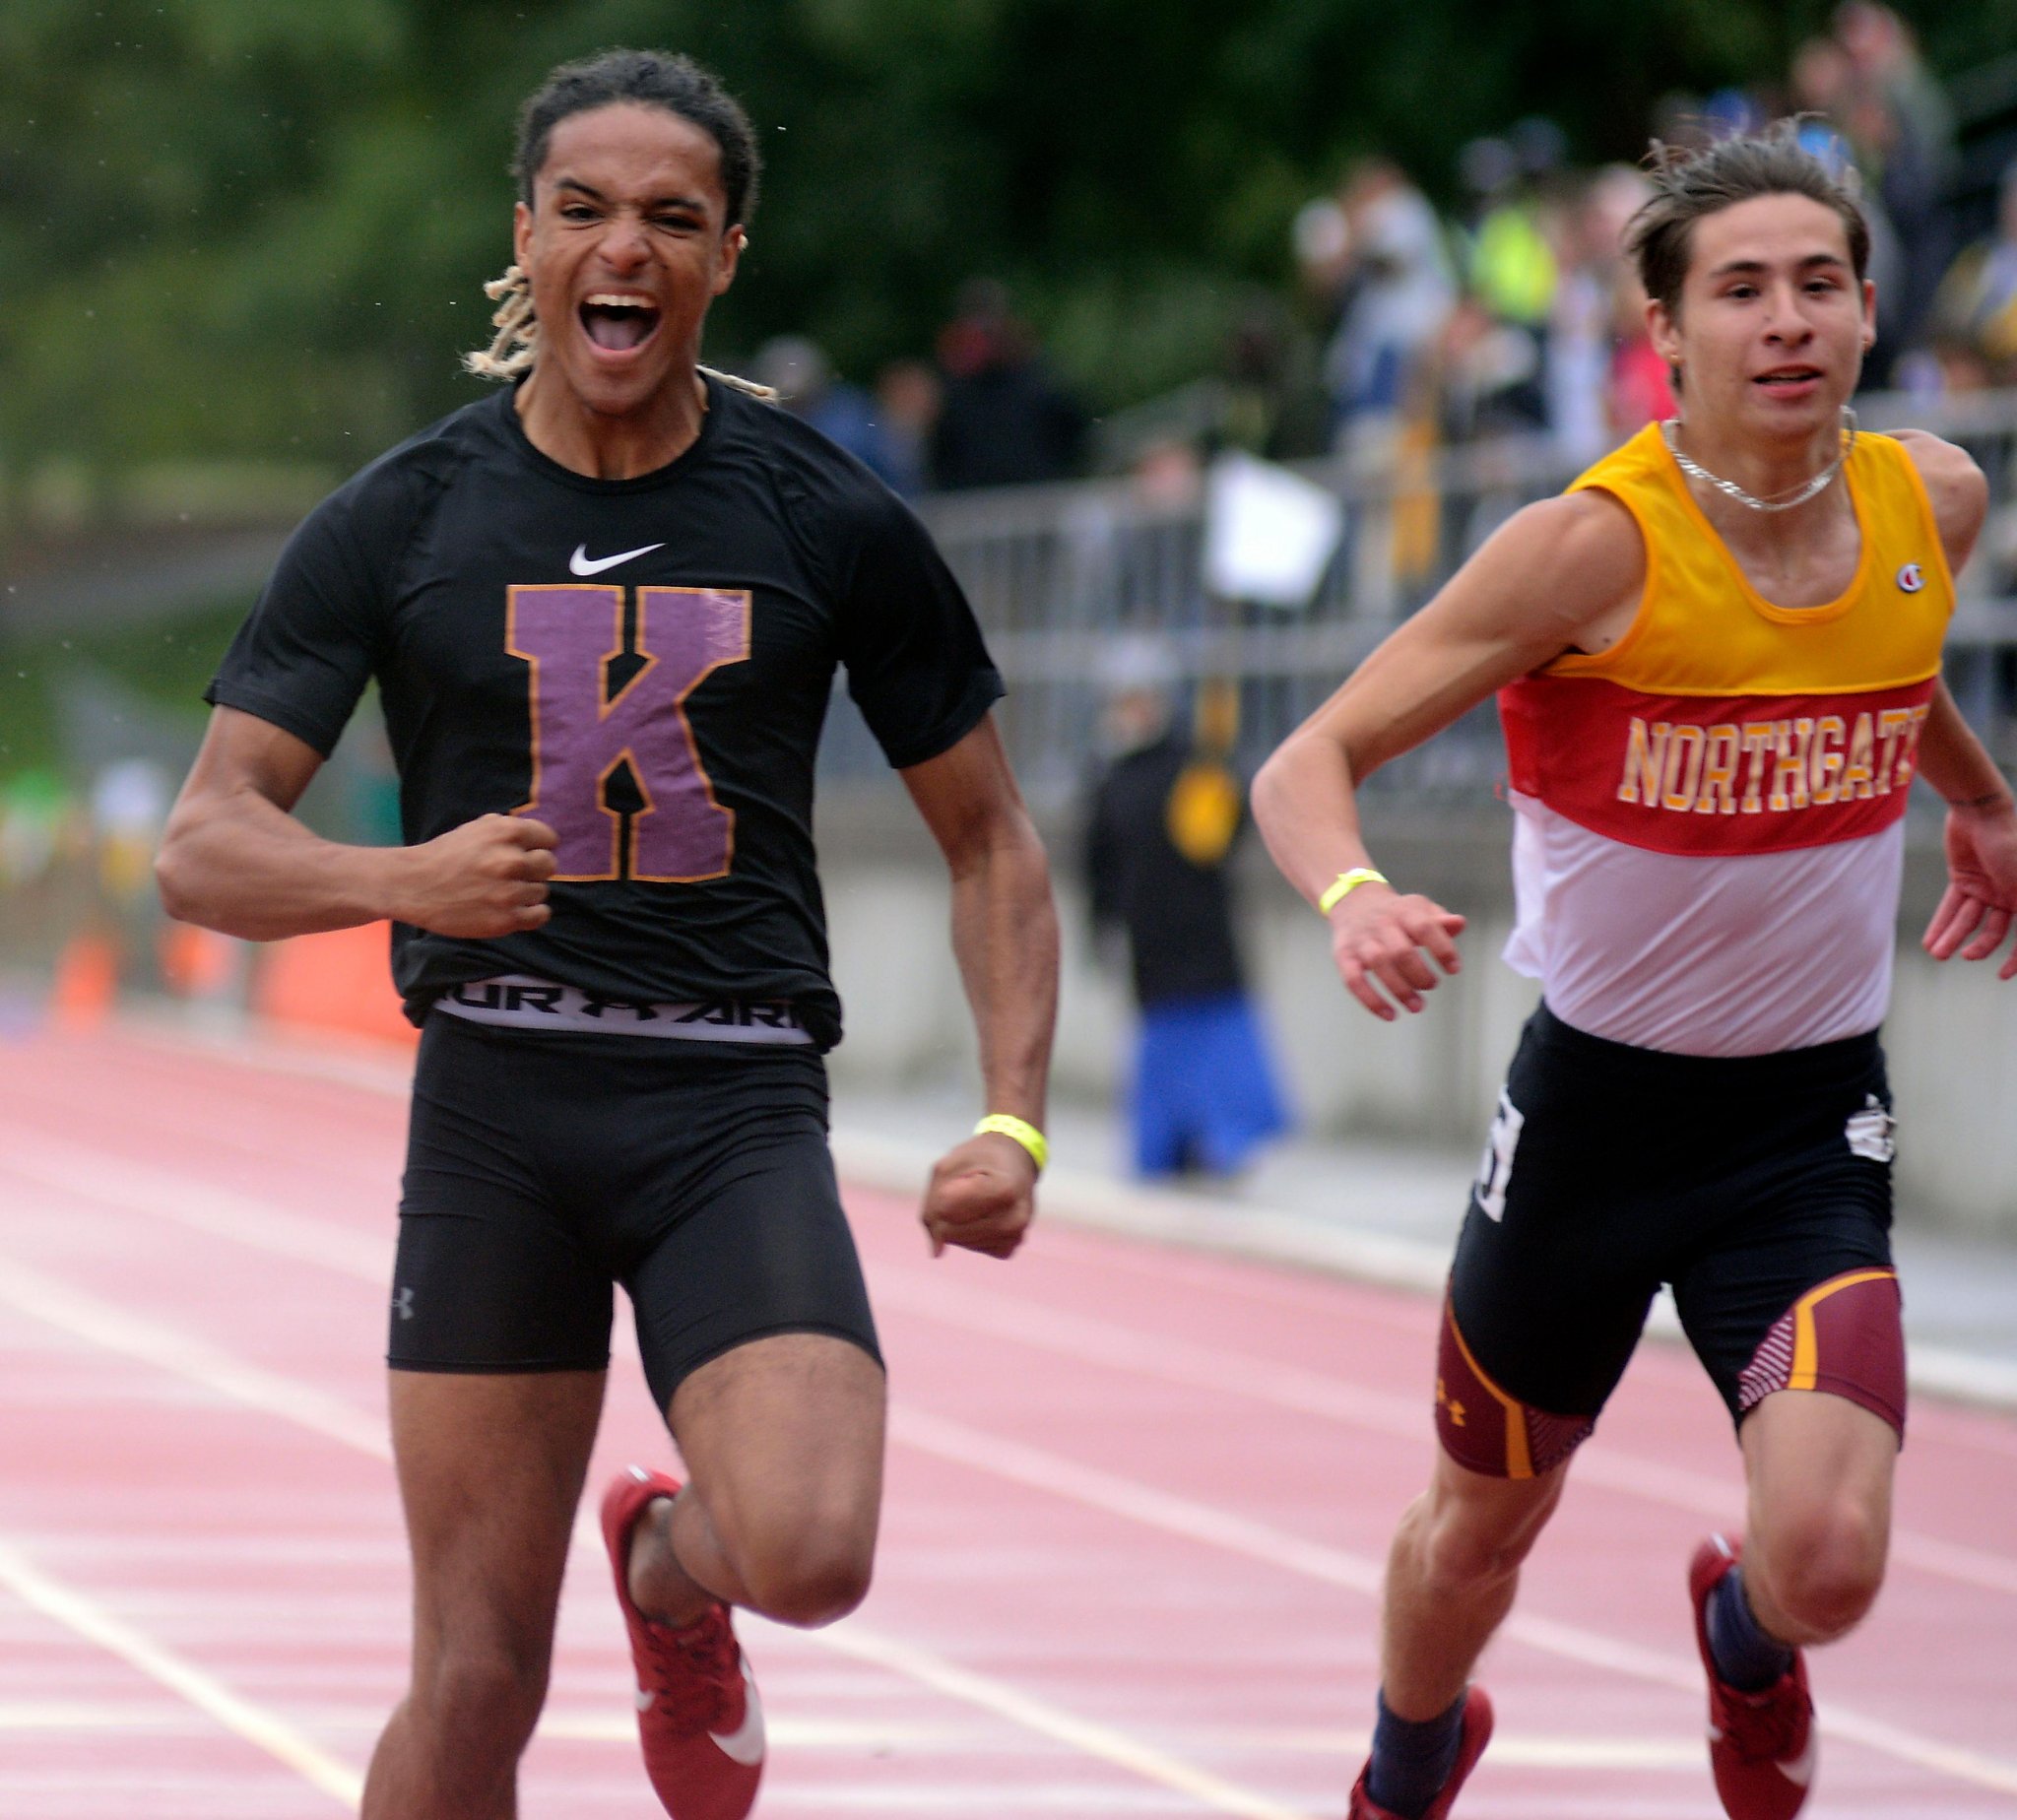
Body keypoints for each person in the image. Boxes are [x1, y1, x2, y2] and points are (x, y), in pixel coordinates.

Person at [154, 47, 1059, 1820]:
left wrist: (1012, 1116)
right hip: (497, 1106)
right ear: (526, 239)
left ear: (726, 255)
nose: (620, 248)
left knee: (808, 1551)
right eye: (582, 211)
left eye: (667, 217)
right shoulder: (406, 517)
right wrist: (402, 882)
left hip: (729, 1107)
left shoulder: (824, 513)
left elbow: (993, 841)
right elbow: (203, 848)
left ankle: (668, 1570)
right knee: (475, 1681)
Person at [1251, 123, 2017, 1820]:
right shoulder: (1589, 548)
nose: (1784, 319)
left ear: (1868, 309)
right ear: (1661, 334)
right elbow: (1300, 761)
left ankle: (1744, 1640)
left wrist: (1972, 795)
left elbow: (1885, 658)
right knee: (1476, 1533)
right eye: (1737, 289)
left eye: (1815, 282)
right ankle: (1406, 1762)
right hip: (1591, 1124)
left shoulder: (1930, 499)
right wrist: (1355, 893)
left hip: (1805, 1123)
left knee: (1826, 1560)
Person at [1084, 652, 1289, 1179]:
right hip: (1149, 945)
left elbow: (1221, 835)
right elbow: (1098, 864)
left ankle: (1225, 1141)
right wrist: (1100, 926)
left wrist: (1223, 773)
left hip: (1205, 936)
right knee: (1162, 1047)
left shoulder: (1196, 764)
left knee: (1219, 1039)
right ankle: (1171, 1147)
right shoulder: (1109, 779)